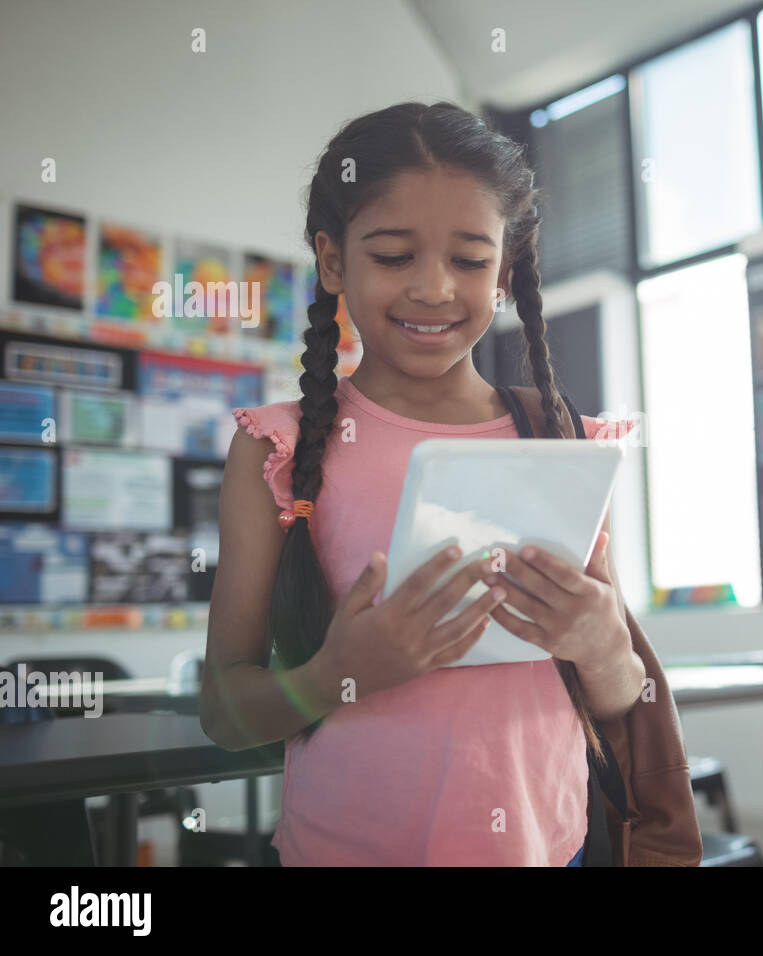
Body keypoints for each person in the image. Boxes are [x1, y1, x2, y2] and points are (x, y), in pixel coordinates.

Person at [200, 102, 643, 866]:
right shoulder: (275, 449)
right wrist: (337, 675)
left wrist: (601, 643)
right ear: (333, 260)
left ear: (504, 273)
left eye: (470, 261)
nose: (434, 289)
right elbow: (223, 709)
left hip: (547, 851)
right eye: (395, 256)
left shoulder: (560, 439)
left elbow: (623, 691)